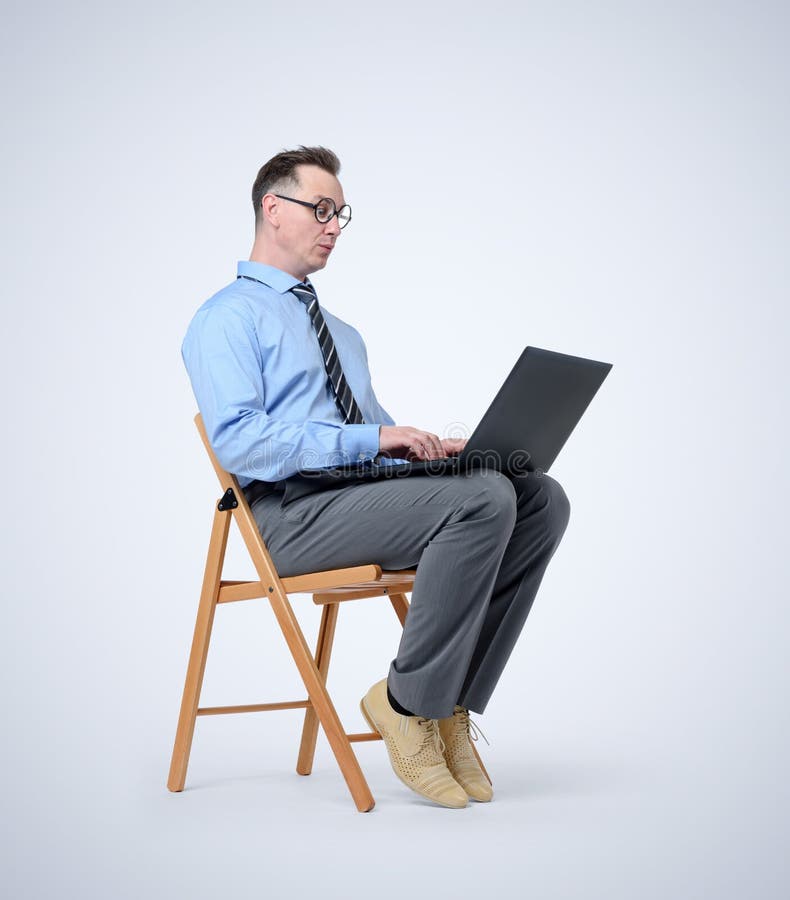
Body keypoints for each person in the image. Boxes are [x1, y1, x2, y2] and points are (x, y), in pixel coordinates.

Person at [182, 146, 571, 809]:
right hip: (289, 517)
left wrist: (431, 451)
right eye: (321, 209)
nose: (334, 226)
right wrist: (375, 437)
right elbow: (241, 441)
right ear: (274, 210)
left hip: (358, 500)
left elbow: (369, 441)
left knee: (538, 498)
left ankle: (444, 706)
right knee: (480, 501)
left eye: (341, 214)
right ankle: (405, 703)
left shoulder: (343, 333)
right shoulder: (227, 317)